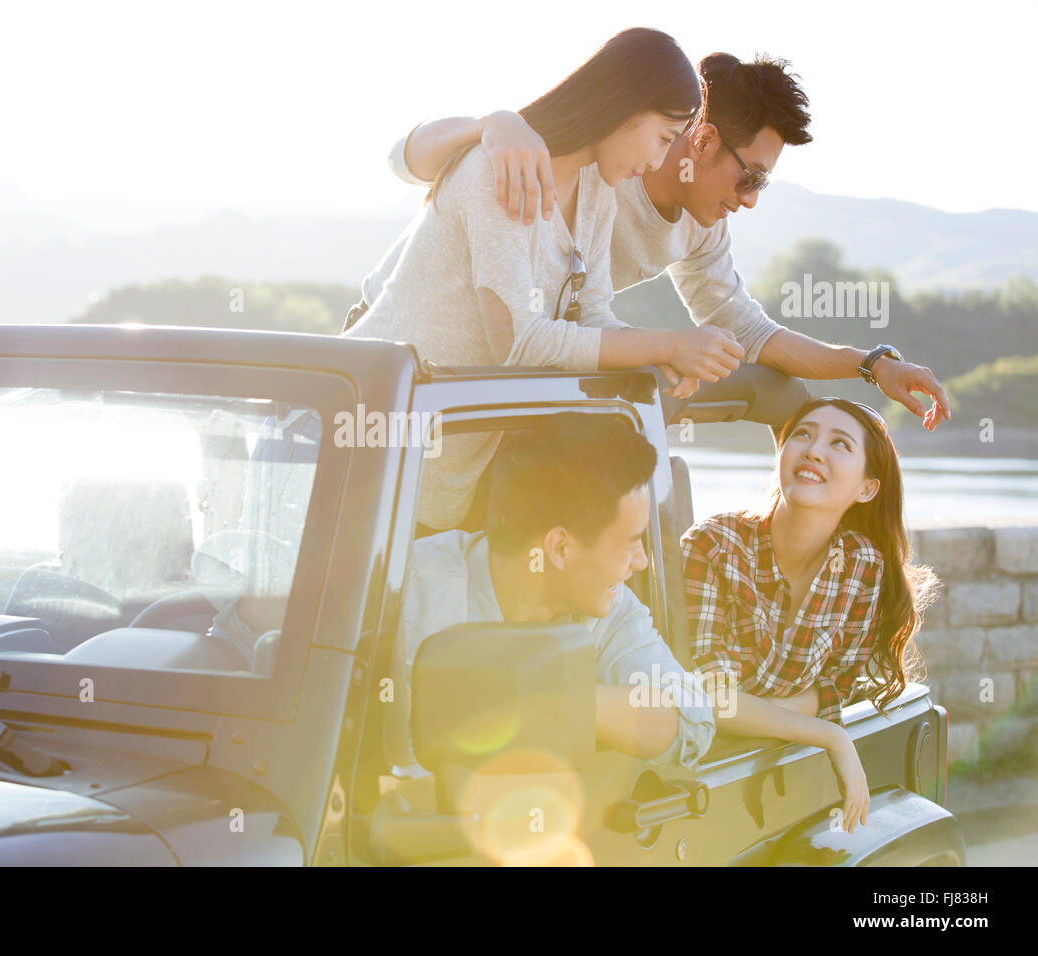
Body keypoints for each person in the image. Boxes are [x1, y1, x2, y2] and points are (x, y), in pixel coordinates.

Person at [351, 52, 952, 432]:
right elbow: (405, 161)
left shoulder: (686, 219)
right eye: (752, 176)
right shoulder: (582, 161)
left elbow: (747, 331)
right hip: (402, 356)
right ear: (705, 140)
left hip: (484, 390)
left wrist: (870, 366)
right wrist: (493, 123)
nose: (751, 198)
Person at [345, 27, 742, 528]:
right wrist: (666, 343)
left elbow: (594, 315)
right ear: (623, 106)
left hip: (438, 480)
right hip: (357, 458)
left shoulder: (597, 187)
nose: (661, 161)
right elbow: (519, 342)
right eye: (663, 139)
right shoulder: (501, 171)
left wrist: (665, 355)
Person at [394, 414, 715, 769]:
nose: (641, 562)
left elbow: (689, 721)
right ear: (560, 547)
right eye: (632, 543)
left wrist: (552, 693)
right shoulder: (403, 590)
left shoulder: (610, 606)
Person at [680, 397, 939, 832]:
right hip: (698, 779)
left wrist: (757, 713)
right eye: (802, 434)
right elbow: (712, 699)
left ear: (866, 488)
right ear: (780, 452)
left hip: (777, 788)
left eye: (839, 443)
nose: (814, 449)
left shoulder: (862, 565)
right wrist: (832, 735)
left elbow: (834, 688)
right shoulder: (714, 546)